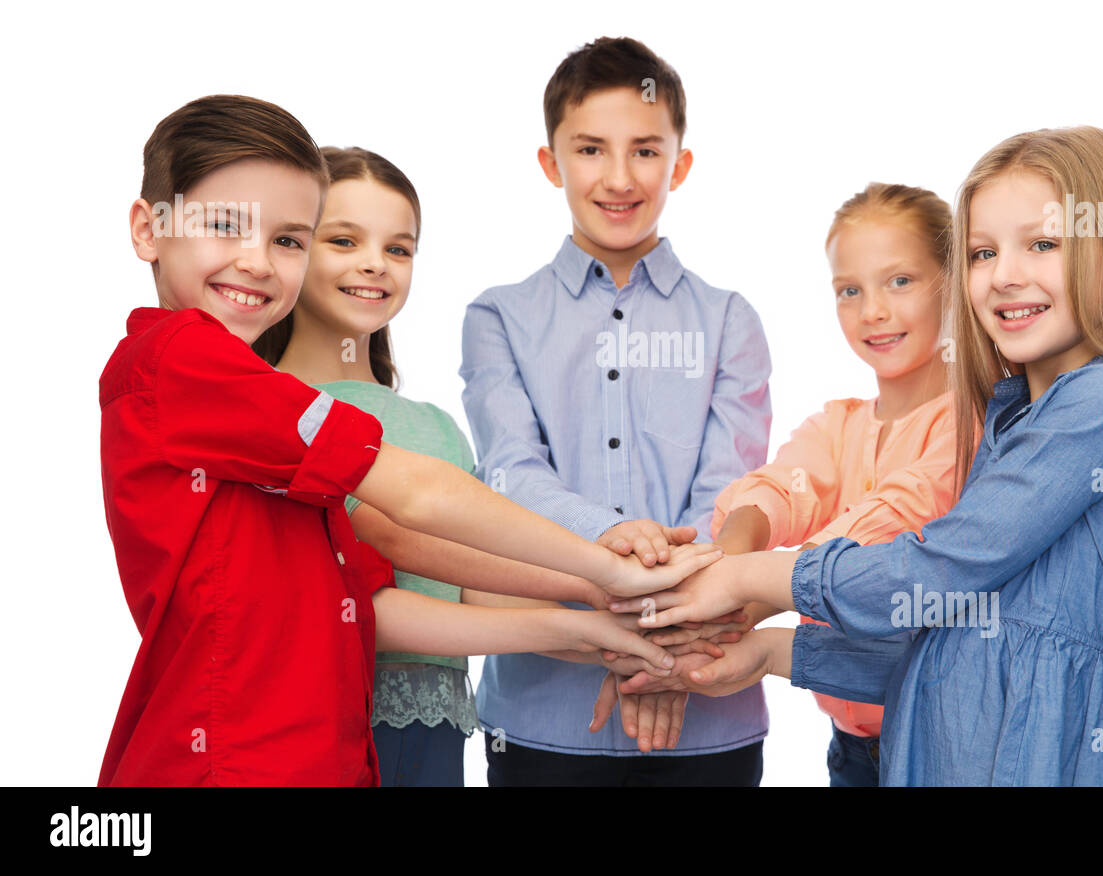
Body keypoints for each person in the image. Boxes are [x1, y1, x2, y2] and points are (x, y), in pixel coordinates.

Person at [99, 94, 721, 786]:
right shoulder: (185, 360)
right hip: (232, 763)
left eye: (287, 240)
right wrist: (604, 569)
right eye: (224, 225)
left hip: (320, 754)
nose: (257, 261)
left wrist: (591, 613)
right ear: (149, 229)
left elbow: (395, 553)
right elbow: (418, 496)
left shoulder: (257, 411)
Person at [612, 126, 1103, 786]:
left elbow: (938, 567)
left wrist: (744, 580)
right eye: (984, 252)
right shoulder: (1012, 419)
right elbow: (952, 650)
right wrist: (764, 653)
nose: (1005, 275)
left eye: (1043, 244)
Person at [460, 37, 773, 785]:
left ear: (680, 164)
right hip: (541, 719)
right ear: (552, 163)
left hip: (708, 708)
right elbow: (511, 476)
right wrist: (608, 535)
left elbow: (731, 496)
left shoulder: (730, 320)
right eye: (591, 149)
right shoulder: (497, 316)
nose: (620, 178)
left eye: (646, 151)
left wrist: (662, 648)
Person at [707, 183, 961, 785]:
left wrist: (748, 597)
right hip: (851, 750)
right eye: (850, 290)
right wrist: (726, 564)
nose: (871, 310)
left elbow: (893, 517)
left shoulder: (971, 422)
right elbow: (777, 490)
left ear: (953, 284)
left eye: (899, 281)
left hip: (942, 746)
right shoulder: (837, 424)